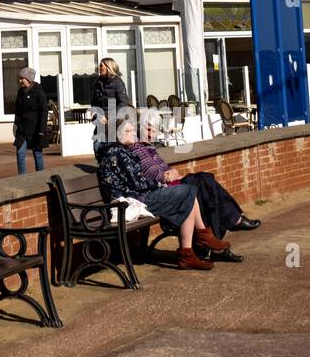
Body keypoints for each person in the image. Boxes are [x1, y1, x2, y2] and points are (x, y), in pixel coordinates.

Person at [97, 116, 235, 270]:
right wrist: (159, 183)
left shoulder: (120, 151)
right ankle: (200, 240)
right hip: (133, 202)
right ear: (118, 134)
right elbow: (139, 184)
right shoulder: (117, 153)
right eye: (128, 131)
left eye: (132, 130)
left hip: (137, 197)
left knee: (187, 194)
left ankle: (189, 253)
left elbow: (138, 181)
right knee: (188, 191)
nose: (132, 134)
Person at [130, 112, 258, 258]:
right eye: (147, 129)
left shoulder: (150, 149)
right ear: (140, 128)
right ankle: (232, 221)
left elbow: (166, 170)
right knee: (204, 181)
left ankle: (215, 242)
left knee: (206, 191)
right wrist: (168, 174)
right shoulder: (137, 149)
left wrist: (172, 171)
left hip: (173, 186)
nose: (150, 134)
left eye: (154, 130)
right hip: (166, 192)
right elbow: (156, 174)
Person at [90, 58, 132, 146]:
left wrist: (108, 116)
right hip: (101, 122)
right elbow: (94, 104)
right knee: (98, 147)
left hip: (115, 123)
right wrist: (97, 115)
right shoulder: (97, 83)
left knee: (114, 150)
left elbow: (123, 103)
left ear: (109, 67)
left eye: (101, 65)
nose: (99, 67)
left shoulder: (118, 83)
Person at [14, 67, 48, 173]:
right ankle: (22, 179)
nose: (20, 81)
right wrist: (16, 124)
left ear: (28, 79)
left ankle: (40, 177)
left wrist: (41, 130)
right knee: (20, 153)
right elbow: (17, 110)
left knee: (37, 154)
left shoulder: (39, 92)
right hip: (22, 129)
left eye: (22, 78)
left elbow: (44, 111)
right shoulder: (20, 92)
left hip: (36, 129)